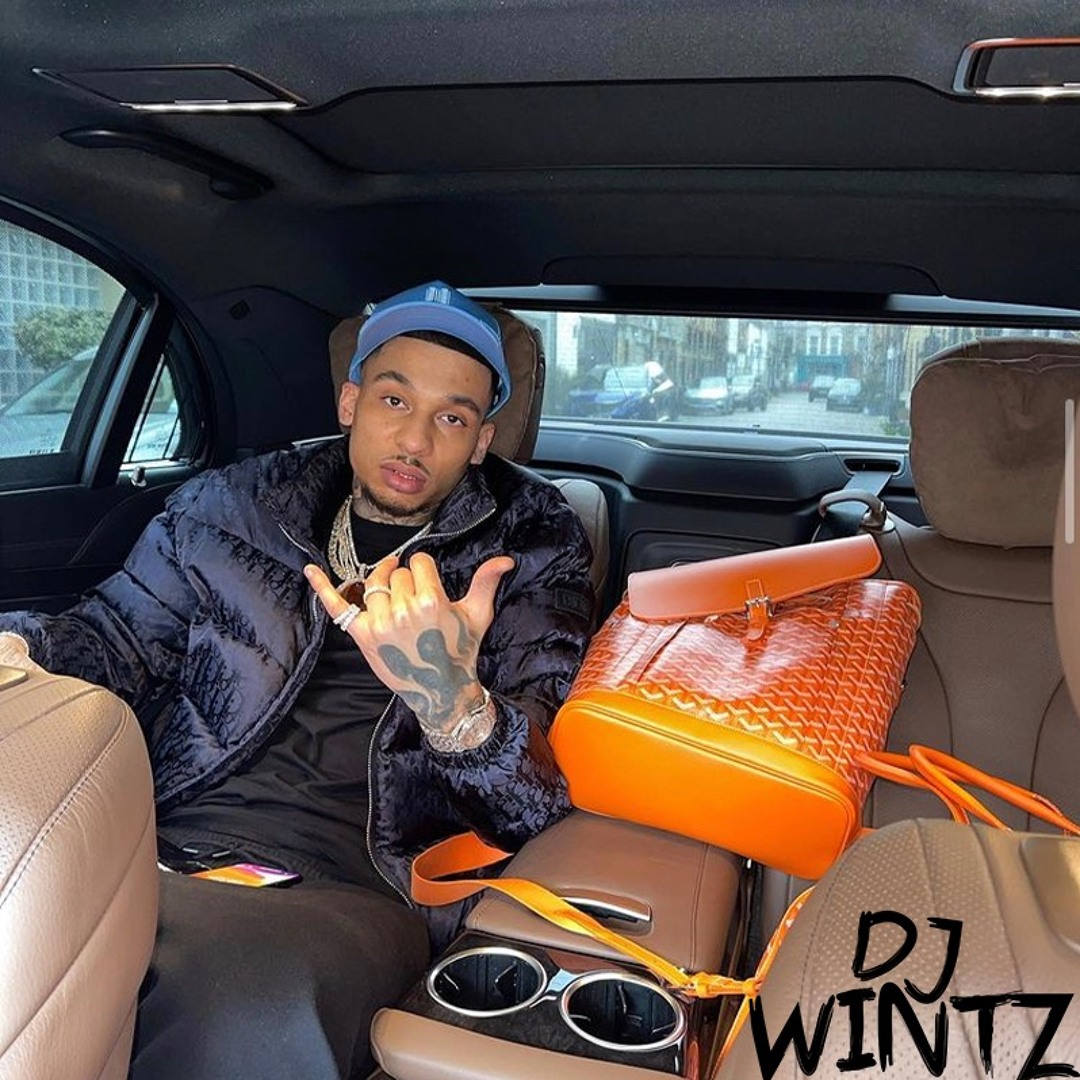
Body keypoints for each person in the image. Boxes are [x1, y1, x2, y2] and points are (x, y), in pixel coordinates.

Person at [0, 281, 595, 1079]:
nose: (414, 439)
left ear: (483, 440)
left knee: (235, 1010)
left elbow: (536, 805)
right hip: (160, 838)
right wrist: (18, 648)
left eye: (452, 418)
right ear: (350, 401)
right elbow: (110, 640)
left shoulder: (535, 544)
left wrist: (452, 701)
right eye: (393, 399)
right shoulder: (230, 506)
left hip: (359, 884)